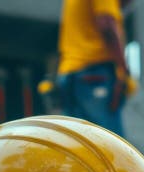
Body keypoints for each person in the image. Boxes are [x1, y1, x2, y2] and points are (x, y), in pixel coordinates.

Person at [56, 0, 135, 136]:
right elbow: (106, 23)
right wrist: (123, 69)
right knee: (107, 142)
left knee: (76, 140)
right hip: (94, 74)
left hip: (70, 73)